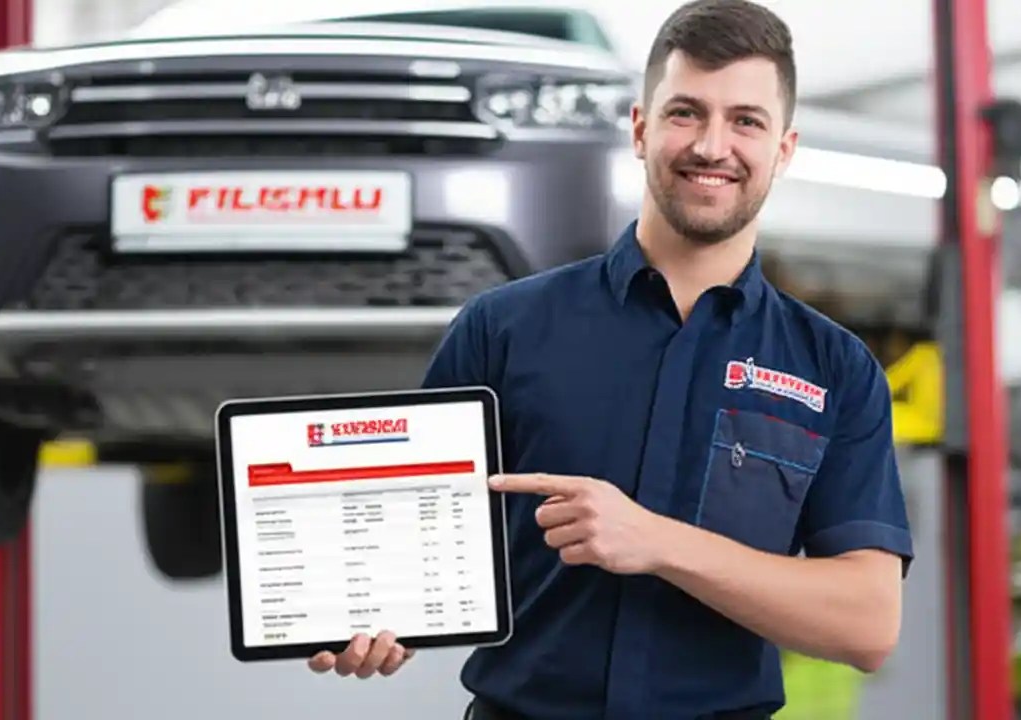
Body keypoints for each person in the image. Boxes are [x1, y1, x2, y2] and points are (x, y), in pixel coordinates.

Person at [307, 0, 914, 716]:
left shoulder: (834, 370)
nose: (713, 146)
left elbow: (869, 624)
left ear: (783, 149)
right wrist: (368, 619)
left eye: (745, 120)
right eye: (685, 112)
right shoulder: (503, 329)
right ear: (639, 128)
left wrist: (656, 542)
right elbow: (400, 552)